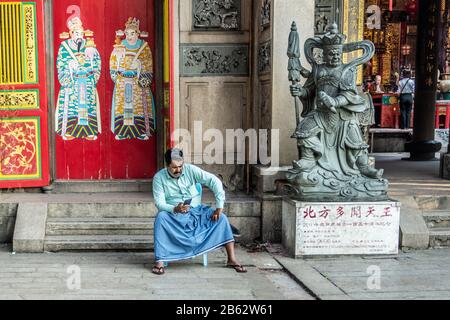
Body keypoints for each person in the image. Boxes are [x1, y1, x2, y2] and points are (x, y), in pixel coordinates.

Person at [151, 148, 247, 275]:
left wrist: (219, 207)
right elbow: (159, 203)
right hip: (174, 215)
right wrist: (175, 208)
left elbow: (214, 181)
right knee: (160, 218)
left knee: (222, 218)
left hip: (197, 212)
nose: (178, 170)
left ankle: (231, 259)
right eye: (174, 167)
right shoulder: (159, 178)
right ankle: (160, 262)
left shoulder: (191, 170)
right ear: (167, 165)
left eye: (180, 166)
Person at [56, 17, 101, 141]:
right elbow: (60, 64)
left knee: (88, 108)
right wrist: (70, 67)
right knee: (72, 107)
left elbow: (97, 64)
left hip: (87, 82)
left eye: (81, 33)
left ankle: (90, 131)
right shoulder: (64, 47)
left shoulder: (90, 46)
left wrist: (92, 79)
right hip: (72, 83)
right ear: (71, 34)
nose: (79, 36)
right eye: (76, 33)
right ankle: (69, 130)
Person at [110, 18, 155, 140]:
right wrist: (118, 71)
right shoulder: (119, 46)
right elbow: (113, 64)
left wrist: (139, 65)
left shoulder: (144, 47)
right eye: (127, 33)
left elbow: (148, 64)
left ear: (138, 33)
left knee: (138, 108)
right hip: (122, 83)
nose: (129, 36)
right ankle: (121, 131)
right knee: (122, 108)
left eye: (133, 33)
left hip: (138, 83)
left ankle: (141, 131)